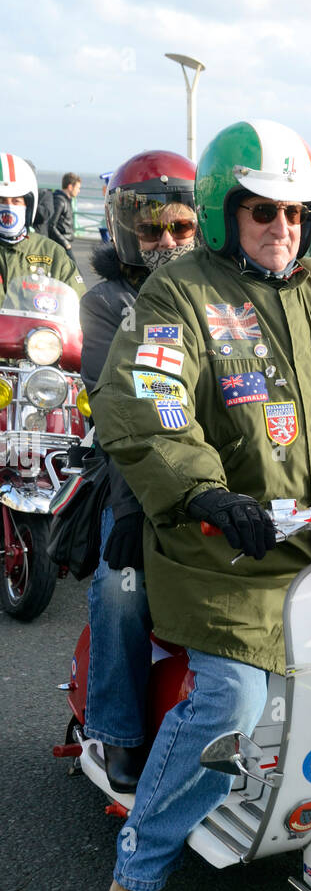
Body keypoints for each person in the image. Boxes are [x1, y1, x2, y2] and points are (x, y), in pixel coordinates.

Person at [90, 118, 311, 891]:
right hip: (225, 550)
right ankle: (138, 880)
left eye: (297, 212)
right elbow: (148, 408)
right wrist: (206, 494)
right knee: (232, 700)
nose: (283, 228)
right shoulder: (178, 296)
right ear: (227, 210)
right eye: (263, 211)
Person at [80, 150, 198, 794]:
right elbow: (118, 414)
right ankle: (119, 730)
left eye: (180, 228)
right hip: (134, 484)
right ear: (126, 229)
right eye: (152, 228)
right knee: (121, 589)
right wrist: (130, 509)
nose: (167, 241)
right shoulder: (106, 304)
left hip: (222, 480)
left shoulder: (221, 293)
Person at [0, 153, 85, 293]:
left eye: (16, 201)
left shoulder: (52, 253)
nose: (9, 207)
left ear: (29, 205)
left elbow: (78, 303)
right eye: (1, 200)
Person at [48, 172, 82, 254]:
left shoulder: (66, 200)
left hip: (63, 243)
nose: (79, 191)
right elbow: (51, 225)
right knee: (73, 266)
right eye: (77, 188)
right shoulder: (60, 201)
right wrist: (65, 243)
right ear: (70, 187)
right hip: (60, 244)